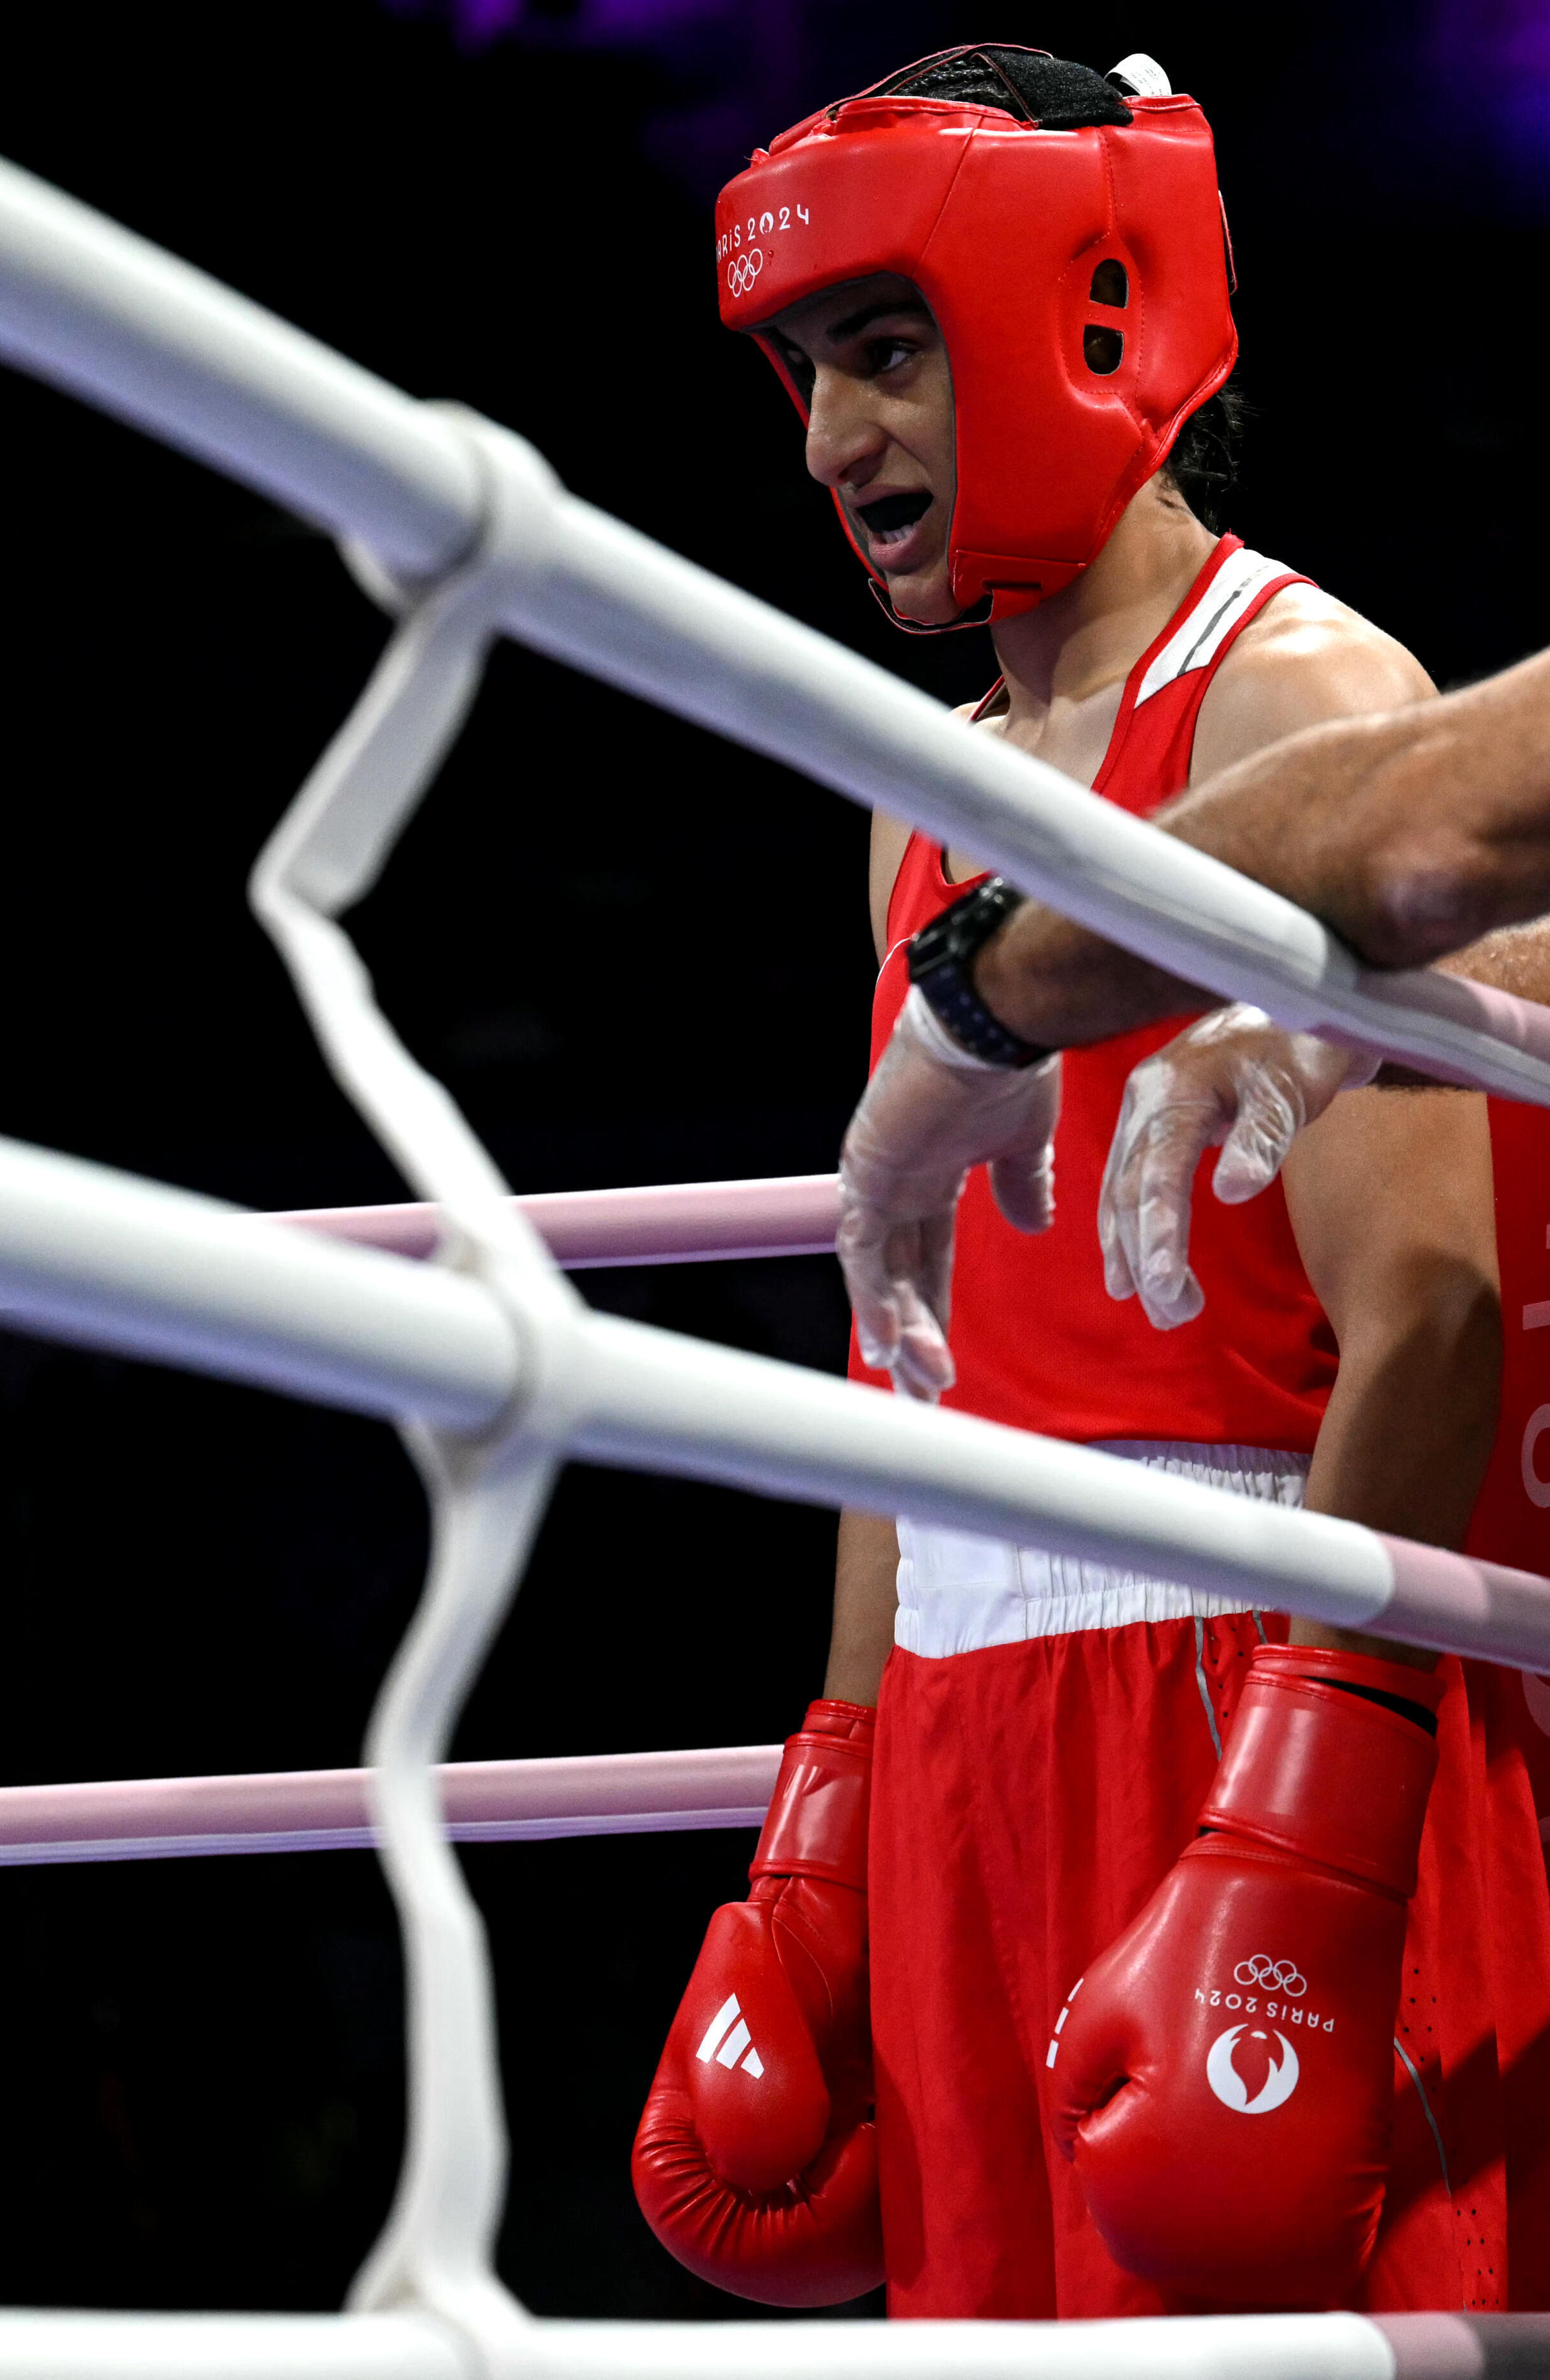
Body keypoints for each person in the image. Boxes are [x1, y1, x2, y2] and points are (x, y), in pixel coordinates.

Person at [630, 42, 1550, 2321]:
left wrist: (1305, 1827)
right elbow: (904, 1336)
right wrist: (826, 1819)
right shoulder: (919, 788)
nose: (839, 444)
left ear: (1094, 312)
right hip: (960, 1724)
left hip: (1254, 1676)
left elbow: (1428, 1311)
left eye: (888, 351)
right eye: (809, 374)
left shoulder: (1298, 698)